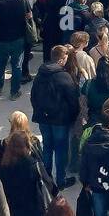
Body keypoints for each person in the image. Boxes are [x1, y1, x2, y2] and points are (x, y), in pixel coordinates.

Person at [0, 115, 52, 216]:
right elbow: (48, 183)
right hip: (34, 206)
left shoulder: (5, 164)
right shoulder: (33, 164)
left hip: (14, 206)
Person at [29, 44, 80, 187]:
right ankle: (61, 180)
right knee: (60, 149)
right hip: (60, 120)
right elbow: (73, 100)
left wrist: (39, 111)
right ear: (62, 59)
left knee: (47, 147)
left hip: (43, 118)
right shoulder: (64, 77)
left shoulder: (40, 74)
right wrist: (73, 116)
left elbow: (33, 96)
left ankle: (46, 178)